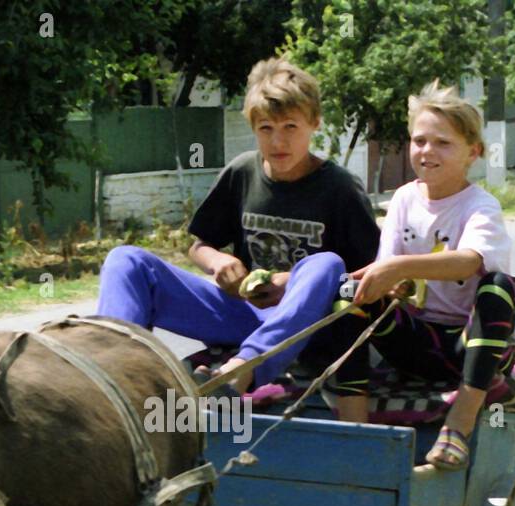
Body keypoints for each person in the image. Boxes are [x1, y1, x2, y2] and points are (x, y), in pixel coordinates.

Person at [96, 57, 379, 413]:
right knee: (126, 260)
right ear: (252, 127)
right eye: (265, 129)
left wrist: (292, 281)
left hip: (308, 327)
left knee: (326, 264)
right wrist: (219, 261)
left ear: (315, 124)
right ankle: (109, 371)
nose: (278, 141)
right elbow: (199, 245)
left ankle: (241, 371)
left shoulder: (340, 188)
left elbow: (369, 276)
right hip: (242, 313)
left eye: (291, 126)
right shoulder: (242, 172)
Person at [346, 80, 515, 469]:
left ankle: (460, 422)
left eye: (443, 143)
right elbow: (390, 277)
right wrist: (378, 281)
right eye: (419, 141)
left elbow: (469, 261)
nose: (428, 152)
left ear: (472, 152)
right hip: (416, 346)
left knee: (498, 287)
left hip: (469, 350)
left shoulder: (480, 206)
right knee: (353, 298)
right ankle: (353, 425)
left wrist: (399, 268)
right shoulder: (405, 198)